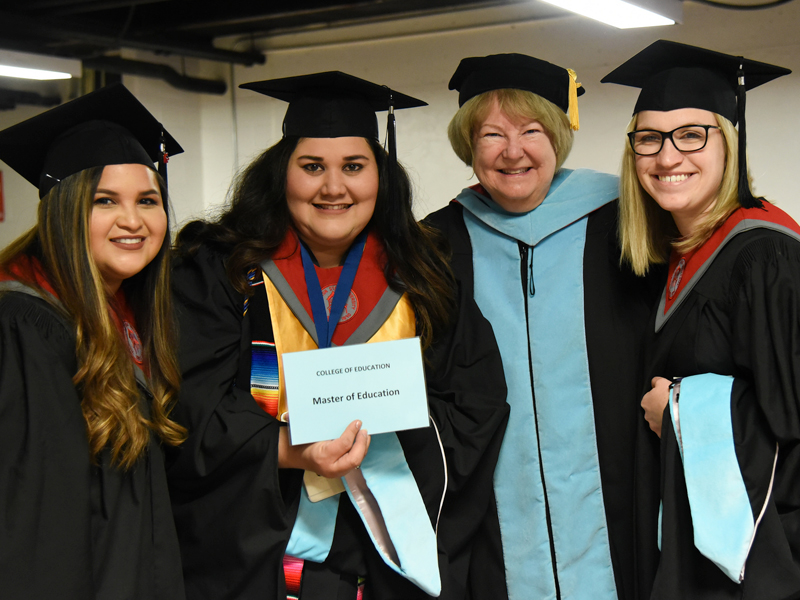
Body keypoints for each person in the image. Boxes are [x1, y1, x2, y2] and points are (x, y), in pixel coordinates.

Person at [166, 71, 509, 600]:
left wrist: (387, 437)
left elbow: (475, 400)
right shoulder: (221, 270)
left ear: (380, 175)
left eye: (353, 166)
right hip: (254, 560)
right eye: (312, 168)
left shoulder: (423, 274)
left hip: (383, 563)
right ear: (282, 174)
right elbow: (189, 405)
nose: (333, 187)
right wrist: (292, 449)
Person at [424, 53, 659, 600]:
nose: (513, 151)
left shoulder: (628, 222)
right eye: (491, 134)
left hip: (621, 510)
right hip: (491, 523)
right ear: (468, 146)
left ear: (557, 135)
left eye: (531, 130)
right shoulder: (434, 245)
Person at [604, 39, 800, 599]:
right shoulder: (680, 253)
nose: (668, 157)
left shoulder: (766, 256)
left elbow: (792, 423)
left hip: (765, 559)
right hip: (700, 550)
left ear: (729, 142)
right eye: (649, 139)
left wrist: (682, 415)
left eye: (692, 134)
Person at [0, 84, 186, 599]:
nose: (133, 221)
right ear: (64, 209)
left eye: (148, 200)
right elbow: (34, 527)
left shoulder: (127, 316)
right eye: (106, 201)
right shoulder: (25, 326)